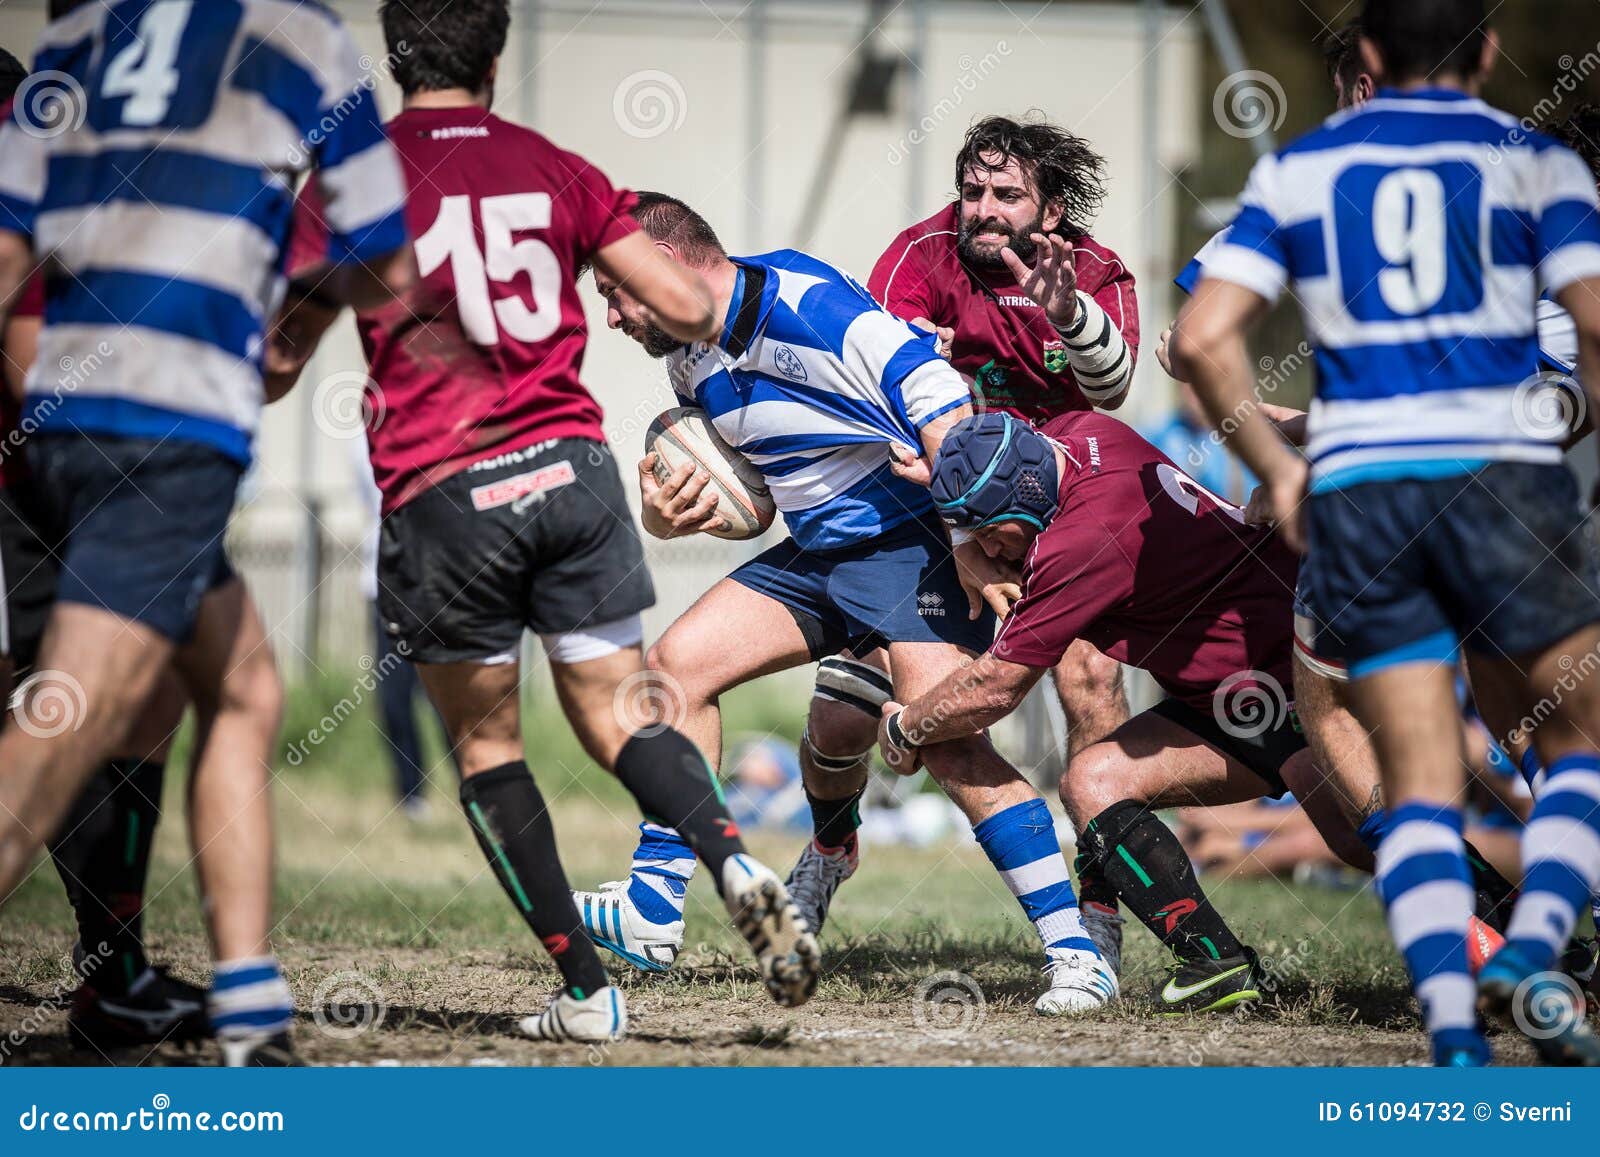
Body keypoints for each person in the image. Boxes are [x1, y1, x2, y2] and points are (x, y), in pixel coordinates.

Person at [276, 0, 818, 1044]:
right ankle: (734, 858)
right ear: (498, 49)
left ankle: (585, 988)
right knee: (624, 715)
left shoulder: (355, 174)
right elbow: (694, 307)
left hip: (448, 486)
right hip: (573, 470)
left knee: (486, 747)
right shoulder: (554, 166)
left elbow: (279, 352)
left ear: (394, 54)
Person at [1172, 0, 1600, 1065]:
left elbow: (1198, 335)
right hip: (1503, 481)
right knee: (1575, 741)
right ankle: (1536, 937)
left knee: (1407, 780)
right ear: (1489, 53)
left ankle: (1455, 1034)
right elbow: (1595, 328)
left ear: (1365, 57)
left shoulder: (1304, 168)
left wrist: (1279, 468)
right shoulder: (1535, 162)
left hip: (1364, 496)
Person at [0, 0, 415, 1065]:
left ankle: (249, 1006)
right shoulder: (301, 36)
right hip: (168, 425)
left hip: (53, 425)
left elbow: (8, 252)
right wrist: (290, 303)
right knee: (63, 728)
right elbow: (385, 256)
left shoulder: (72, 41)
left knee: (243, 687)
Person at [590, 193, 1119, 1014]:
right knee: (675, 670)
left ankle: (1077, 952)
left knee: (945, 742)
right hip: (821, 550)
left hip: (909, 542)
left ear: (668, 264)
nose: (613, 313)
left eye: (617, 288)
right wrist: (664, 510)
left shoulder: (803, 301)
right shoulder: (689, 359)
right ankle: (656, 908)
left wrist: (967, 534)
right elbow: (751, 497)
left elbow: (938, 391)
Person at [876, 411, 1371, 1013]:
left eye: (991, 531)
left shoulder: (1080, 541)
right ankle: (1216, 964)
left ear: (1022, 497)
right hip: (1223, 696)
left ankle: (1508, 939)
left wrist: (906, 725)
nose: (988, 549)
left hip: (1283, 672)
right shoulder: (1079, 432)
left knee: (1364, 836)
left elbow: (995, 688)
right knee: (1094, 782)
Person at [0, 43, 206, 1055]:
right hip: (52, 486)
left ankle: (112, 965)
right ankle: (113, 966)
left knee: (132, 708)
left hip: (94, 482)